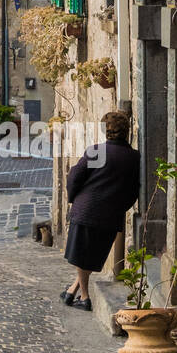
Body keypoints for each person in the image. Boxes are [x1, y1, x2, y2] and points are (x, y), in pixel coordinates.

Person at [61, 110, 140, 311]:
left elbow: (74, 177)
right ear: (126, 131)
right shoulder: (134, 157)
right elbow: (134, 189)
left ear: (106, 131)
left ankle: (85, 297)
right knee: (91, 255)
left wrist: (74, 199)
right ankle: (72, 291)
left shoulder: (97, 152)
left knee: (81, 255)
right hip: (111, 214)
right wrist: (121, 207)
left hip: (87, 209)